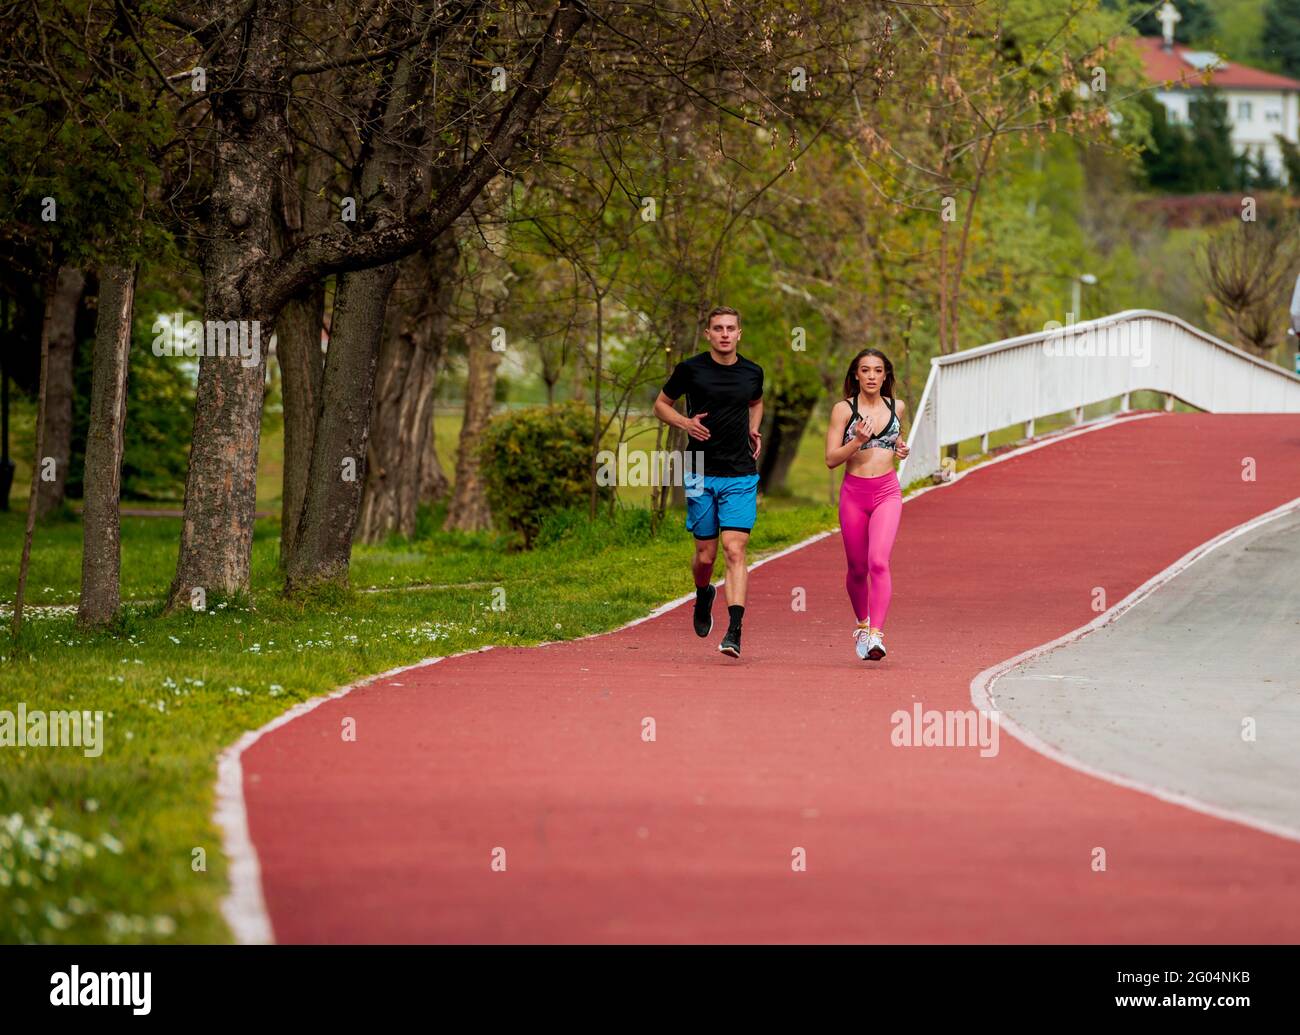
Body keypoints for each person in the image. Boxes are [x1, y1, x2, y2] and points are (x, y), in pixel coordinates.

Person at [653, 306, 763, 658]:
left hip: (740, 473)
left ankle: (734, 631)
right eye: (718, 328)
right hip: (699, 469)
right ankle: (703, 593)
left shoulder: (752, 372)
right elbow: (661, 405)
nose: (725, 334)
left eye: (731, 328)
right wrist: (685, 423)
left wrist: (752, 427)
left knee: (734, 549)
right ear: (708, 334)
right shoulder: (690, 369)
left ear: (739, 333)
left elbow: (756, 401)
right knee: (705, 555)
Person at [824, 348, 909, 661]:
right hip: (854, 495)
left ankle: (877, 635)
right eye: (865, 370)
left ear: (885, 375)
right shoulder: (843, 410)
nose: (871, 376)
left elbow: (894, 439)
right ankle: (862, 625)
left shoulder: (896, 406)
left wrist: (900, 448)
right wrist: (856, 441)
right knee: (858, 568)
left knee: (878, 561)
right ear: (855, 375)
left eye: (877, 370)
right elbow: (831, 460)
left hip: (887, 491)